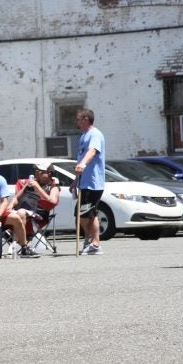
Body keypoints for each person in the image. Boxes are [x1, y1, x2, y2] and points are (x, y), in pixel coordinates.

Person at [4, 161, 60, 258]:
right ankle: (19, 245)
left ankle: (15, 245)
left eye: (40, 172)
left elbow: (52, 201)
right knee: (1, 213)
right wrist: (10, 205)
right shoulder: (29, 184)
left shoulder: (53, 188)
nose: (36, 173)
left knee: (21, 212)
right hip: (20, 212)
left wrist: (37, 187)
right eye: (36, 171)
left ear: (49, 173)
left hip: (37, 216)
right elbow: (16, 198)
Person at [74, 108, 106, 255]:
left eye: (79, 119)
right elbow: (81, 157)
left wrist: (83, 164)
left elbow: (92, 151)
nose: (77, 122)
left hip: (93, 182)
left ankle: (95, 243)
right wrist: (76, 180)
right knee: (81, 214)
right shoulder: (83, 136)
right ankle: (90, 239)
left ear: (86, 119)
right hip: (83, 181)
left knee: (90, 213)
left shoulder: (95, 134)